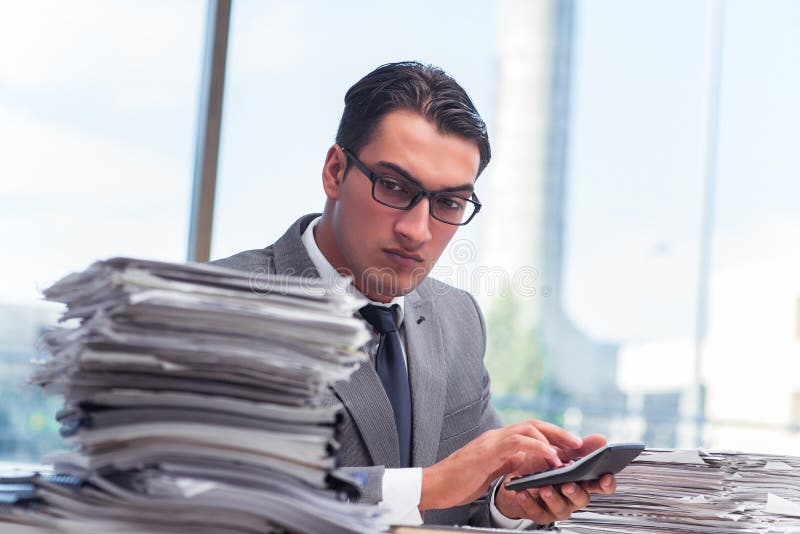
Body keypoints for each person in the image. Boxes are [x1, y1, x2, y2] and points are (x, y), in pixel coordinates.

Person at [211, 61, 616, 528]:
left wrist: (510, 504)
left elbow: (468, 498)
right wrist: (429, 485)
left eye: (448, 203)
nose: (417, 231)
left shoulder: (458, 319)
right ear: (335, 171)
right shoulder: (222, 305)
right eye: (395, 187)